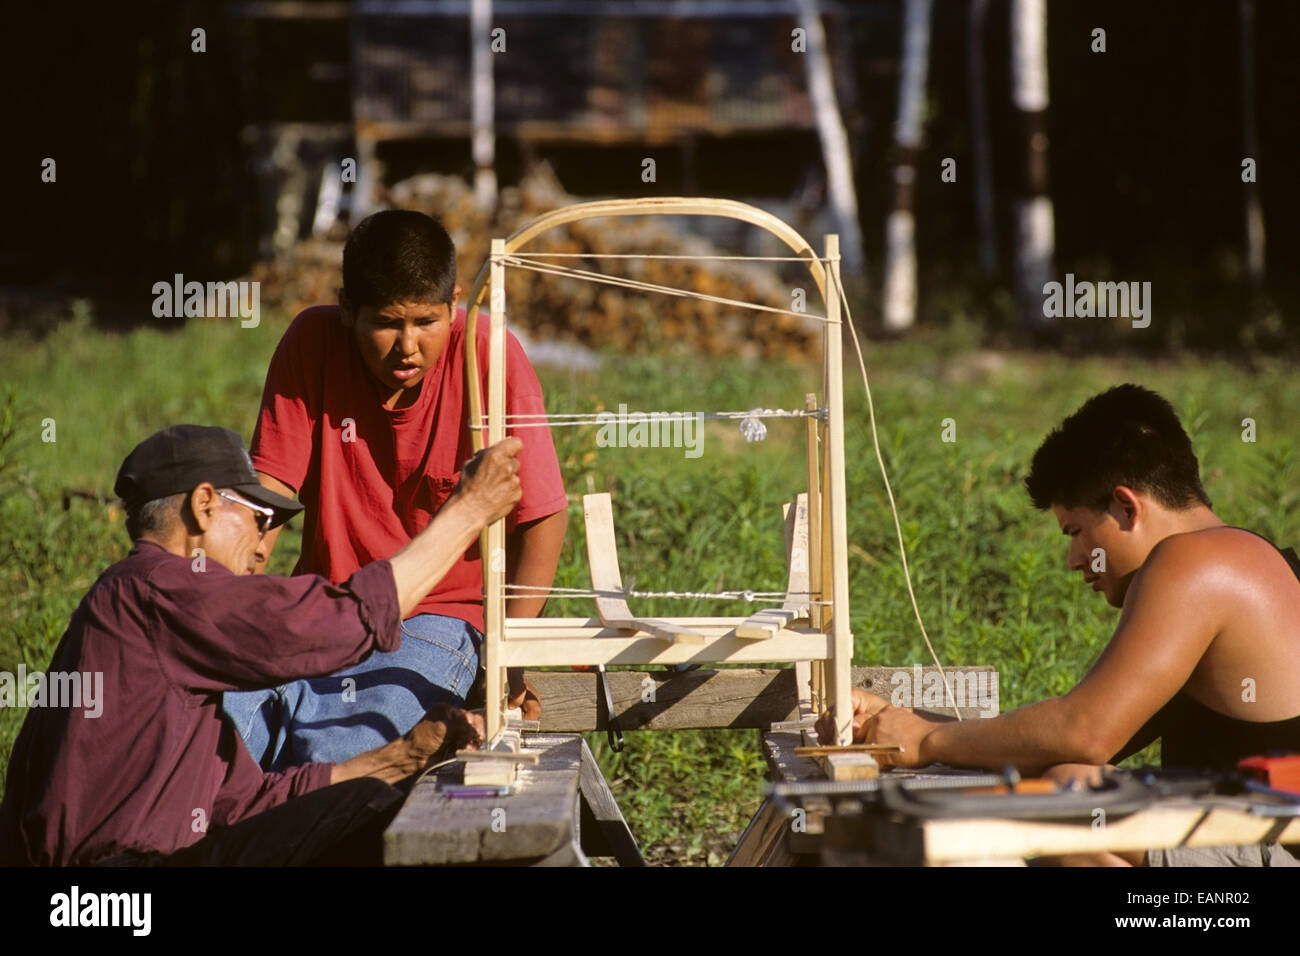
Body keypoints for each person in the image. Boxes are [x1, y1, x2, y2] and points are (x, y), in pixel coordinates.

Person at [819, 384, 1300, 866]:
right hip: (1248, 838)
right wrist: (914, 725)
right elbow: (1058, 741)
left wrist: (926, 740)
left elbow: (1083, 733)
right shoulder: (1247, 560)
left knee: (1067, 798)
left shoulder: (1194, 563)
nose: (1073, 560)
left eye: (1075, 532)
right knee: (1071, 781)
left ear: (1126, 506)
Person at [0, 424, 522, 865]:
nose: (262, 547)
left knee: (377, 800)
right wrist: (466, 512)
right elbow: (332, 624)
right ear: (204, 506)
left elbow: (249, 802)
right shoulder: (163, 586)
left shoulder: (140, 598)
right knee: (377, 820)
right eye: (259, 518)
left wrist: (404, 756)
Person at [223, 210, 569, 771]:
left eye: (427, 321)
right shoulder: (311, 342)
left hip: (439, 619)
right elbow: (270, 488)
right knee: (218, 728)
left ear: (455, 302)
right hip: (326, 605)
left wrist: (509, 657)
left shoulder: (487, 353)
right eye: (386, 323)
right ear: (346, 309)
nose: (407, 346)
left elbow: (542, 516)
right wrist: (224, 596)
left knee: (339, 747)